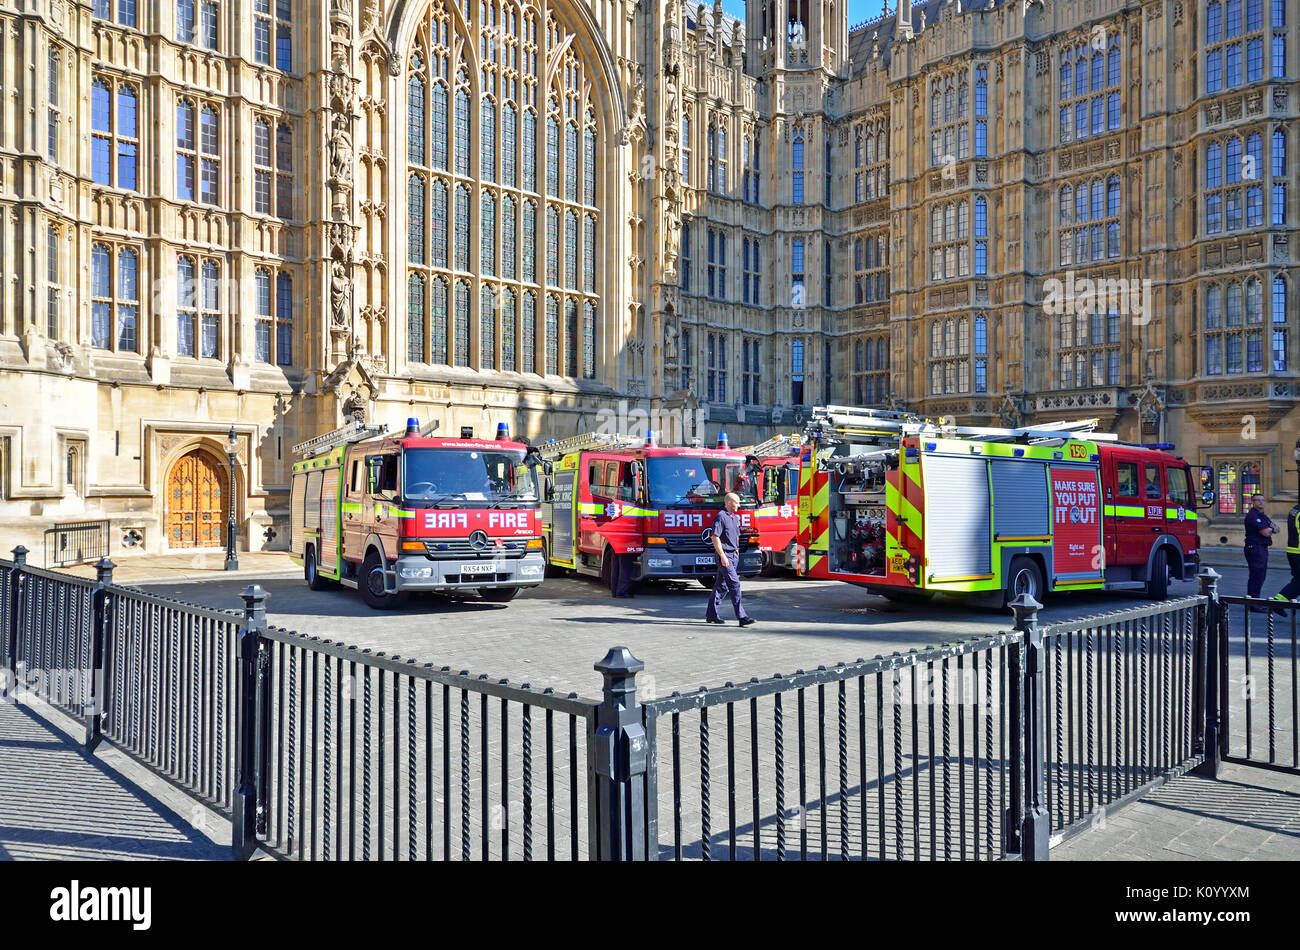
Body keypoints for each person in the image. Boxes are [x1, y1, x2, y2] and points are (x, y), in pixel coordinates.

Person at [705, 492, 755, 626]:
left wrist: (737, 549)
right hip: (725, 555)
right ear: (728, 503)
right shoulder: (721, 517)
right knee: (735, 584)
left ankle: (711, 614)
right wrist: (722, 556)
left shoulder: (735, 518)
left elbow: (736, 535)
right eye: (736, 502)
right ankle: (742, 617)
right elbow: (715, 537)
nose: (739, 505)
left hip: (734, 555)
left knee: (721, 586)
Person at [1243, 493, 1276, 609]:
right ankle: (1253, 603)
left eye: (1262, 500)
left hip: (1261, 548)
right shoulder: (1253, 516)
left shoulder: (1263, 516)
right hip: (1255, 548)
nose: (1261, 502)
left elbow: (1277, 528)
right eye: (1258, 500)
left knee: (1259, 576)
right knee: (1256, 576)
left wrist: (1271, 528)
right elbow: (1266, 532)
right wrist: (1271, 529)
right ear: (1253, 502)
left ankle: (1252, 601)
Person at [1272, 497, 1300, 605]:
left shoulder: (1295, 509)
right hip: (1298, 552)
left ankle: (1279, 600)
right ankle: (1278, 602)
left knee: (1297, 580)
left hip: (1293, 550)